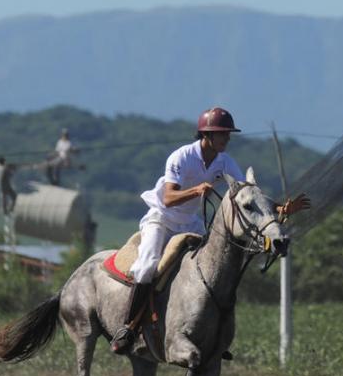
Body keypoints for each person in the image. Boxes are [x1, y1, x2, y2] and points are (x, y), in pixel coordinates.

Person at [111, 107, 310, 354]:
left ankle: (210, 335)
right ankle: (128, 329)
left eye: (228, 134)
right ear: (206, 135)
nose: (227, 138)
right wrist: (195, 191)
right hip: (162, 219)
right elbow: (169, 197)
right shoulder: (181, 157)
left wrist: (281, 210)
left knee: (211, 265)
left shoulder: (225, 161)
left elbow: (244, 195)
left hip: (191, 222)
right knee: (147, 265)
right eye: (222, 134)